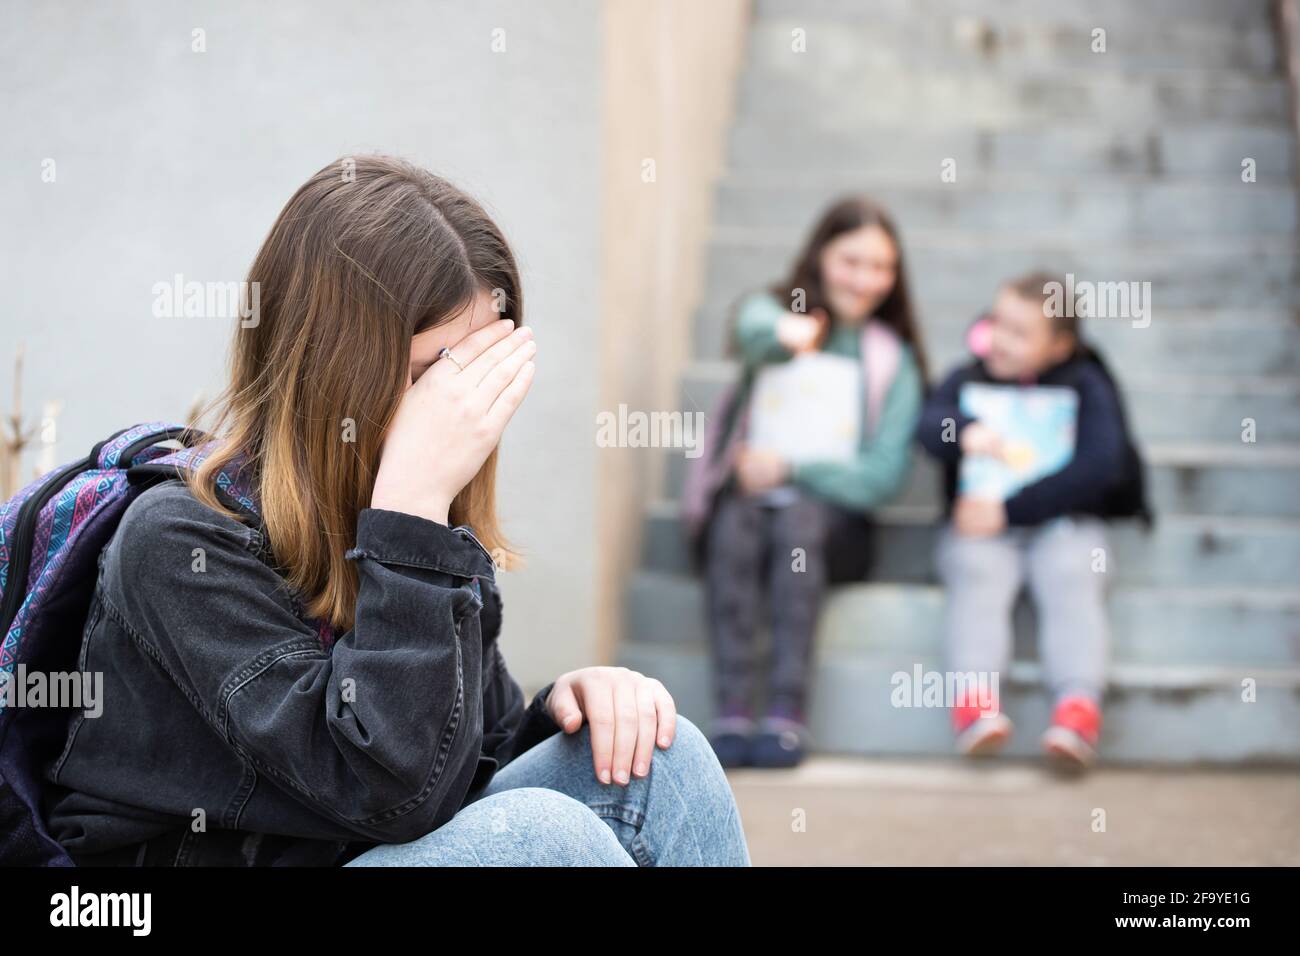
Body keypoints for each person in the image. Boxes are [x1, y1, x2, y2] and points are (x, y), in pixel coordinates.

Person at [40, 155, 750, 866]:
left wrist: (564, 707)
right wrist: (411, 517)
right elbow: (384, 794)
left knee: (661, 761)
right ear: (335, 365)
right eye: (429, 377)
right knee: (537, 837)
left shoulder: (400, 509)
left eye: (476, 373)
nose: (459, 410)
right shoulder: (179, 541)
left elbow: (464, 763)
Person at [683, 197, 927, 769]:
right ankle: (734, 712)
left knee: (799, 520)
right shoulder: (777, 318)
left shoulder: (895, 361)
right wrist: (788, 330)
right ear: (820, 256)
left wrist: (793, 469)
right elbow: (750, 325)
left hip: (834, 531)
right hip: (750, 512)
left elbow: (882, 477)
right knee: (738, 518)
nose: (865, 279)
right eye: (851, 261)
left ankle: (787, 713)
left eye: (881, 266)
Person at [916, 271, 1149, 772]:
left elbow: (1102, 463)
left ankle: (1077, 707)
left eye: (1021, 333)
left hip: (1062, 523)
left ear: (1061, 347)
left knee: (1073, 574)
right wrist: (962, 431)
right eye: (998, 323)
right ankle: (975, 702)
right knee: (977, 576)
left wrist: (1011, 509)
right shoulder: (967, 377)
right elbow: (927, 424)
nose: (1001, 339)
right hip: (979, 527)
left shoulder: (1086, 383)